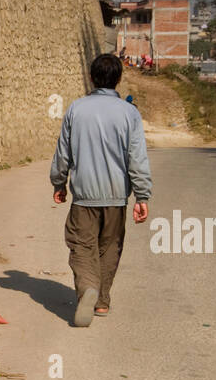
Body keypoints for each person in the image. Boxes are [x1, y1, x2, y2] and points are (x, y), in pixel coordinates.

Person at [49, 53, 152, 327]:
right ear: (118, 80)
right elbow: (137, 157)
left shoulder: (76, 109)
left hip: (84, 196)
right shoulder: (130, 113)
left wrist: (59, 182)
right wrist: (142, 196)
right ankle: (102, 301)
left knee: (82, 247)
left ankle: (87, 289)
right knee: (110, 247)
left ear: (92, 78)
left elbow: (63, 153)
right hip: (117, 196)